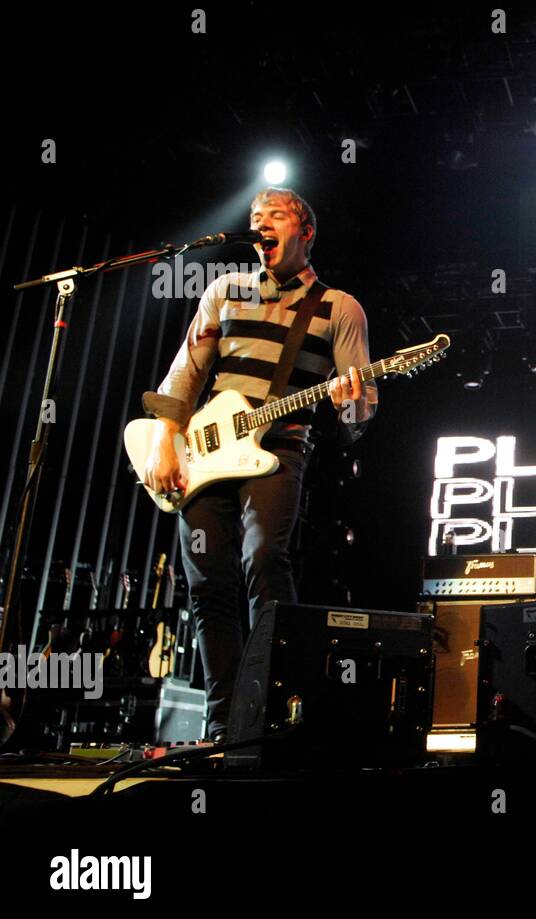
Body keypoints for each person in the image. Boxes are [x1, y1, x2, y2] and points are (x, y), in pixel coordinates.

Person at [139, 187, 378, 742]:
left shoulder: (339, 307)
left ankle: (275, 715)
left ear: (306, 231)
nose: (260, 223)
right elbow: (185, 376)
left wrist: (351, 399)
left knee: (265, 559)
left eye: (275, 216)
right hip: (202, 453)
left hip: (280, 448)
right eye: (254, 217)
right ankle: (223, 726)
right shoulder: (225, 291)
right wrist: (162, 441)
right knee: (207, 585)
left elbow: (359, 415)